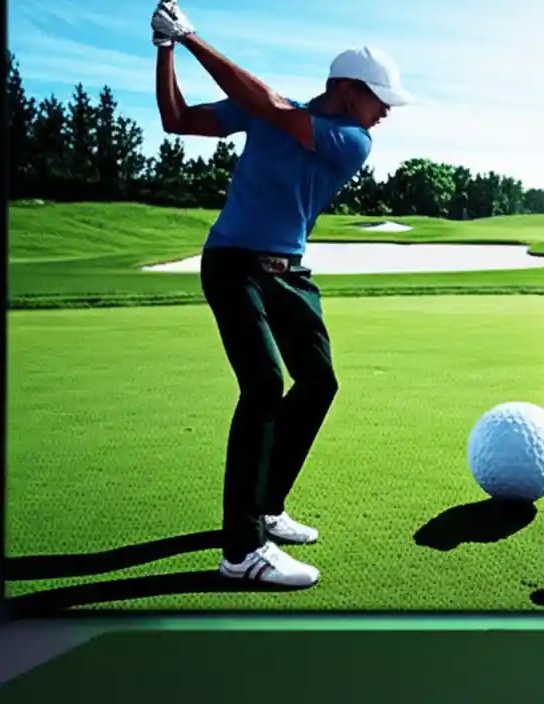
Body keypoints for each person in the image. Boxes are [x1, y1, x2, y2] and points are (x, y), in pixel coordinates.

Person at [150, 1, 412, 587]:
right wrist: (166, 48)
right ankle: (242, 552)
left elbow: (270, 106)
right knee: (265, 384)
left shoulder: (352, 139)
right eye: (380, 100)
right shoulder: (274, 111)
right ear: (346, 89)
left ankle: (266, 507)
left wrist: (190, 38)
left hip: (289, 274)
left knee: (319, 381)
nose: (386, 114)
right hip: (233, 266)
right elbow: (177, 120)